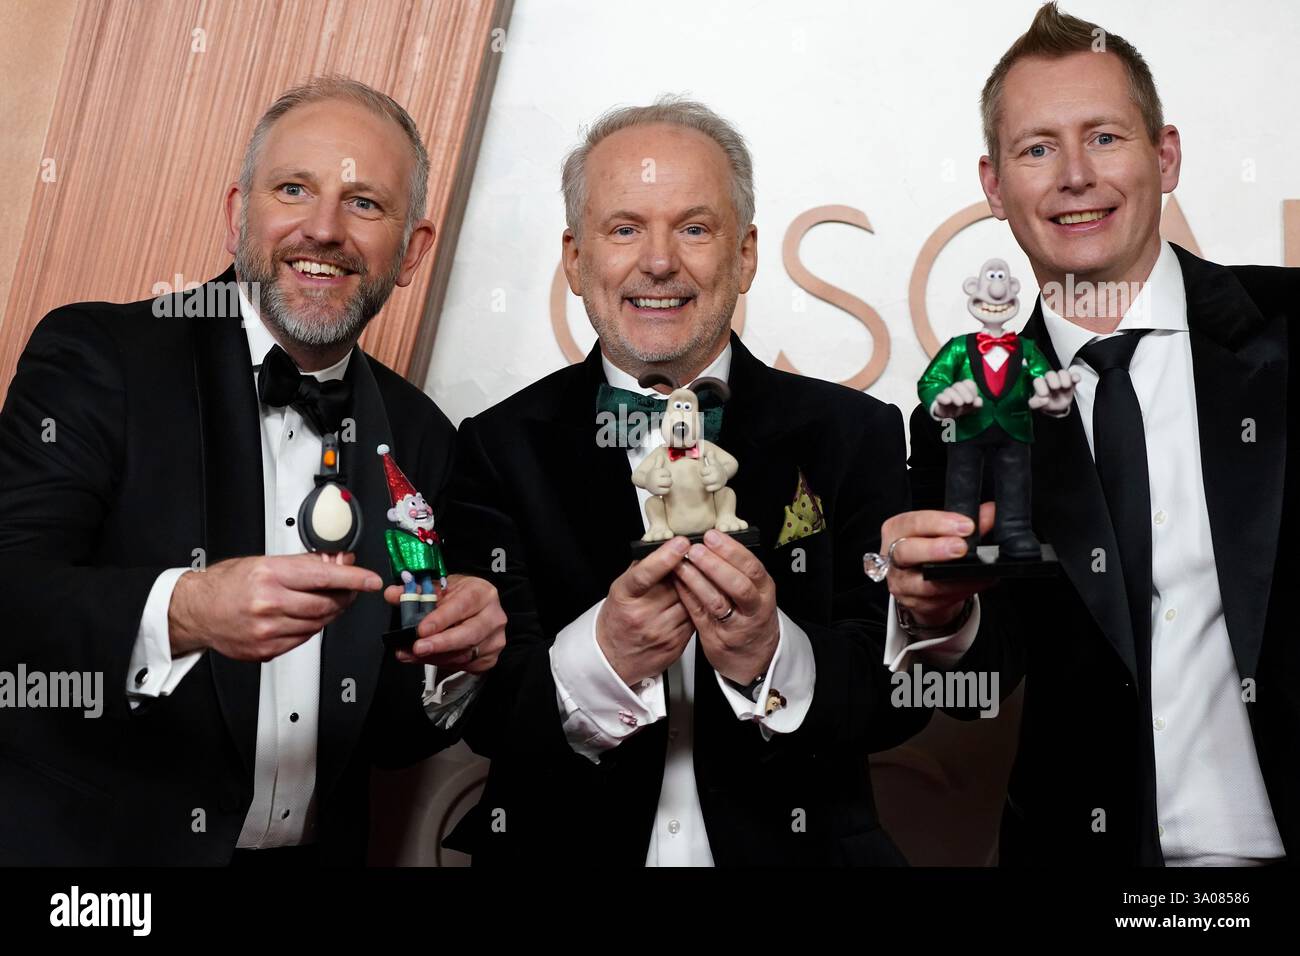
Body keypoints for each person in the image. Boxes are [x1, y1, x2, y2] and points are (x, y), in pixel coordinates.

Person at [0, 76, 506, 865]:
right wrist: (184, 610)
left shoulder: (425, 440)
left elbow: (393, 737)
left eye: (365, 204)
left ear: (412, 252)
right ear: (239, 213)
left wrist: (452, 661)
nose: (325, 229)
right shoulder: (102, 356)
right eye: (294, 188)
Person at [438, 96, 927, 866]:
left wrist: (774, 653)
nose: (659, 262)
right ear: (574, 258)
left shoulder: (855, 435)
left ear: (745, 255)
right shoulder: (496, 449)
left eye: (695, 229)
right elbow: (481, 713)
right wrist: (602, 654)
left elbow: (900, 699)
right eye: (624, 228)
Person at [882, 3, 1295, 865]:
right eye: (1038, 149)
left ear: (1166, 155)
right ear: (995, 188)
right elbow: (977, 684)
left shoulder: (1288, 331)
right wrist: (939, 617)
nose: (1075, 175)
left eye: (1104, 137)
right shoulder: (961, 410)